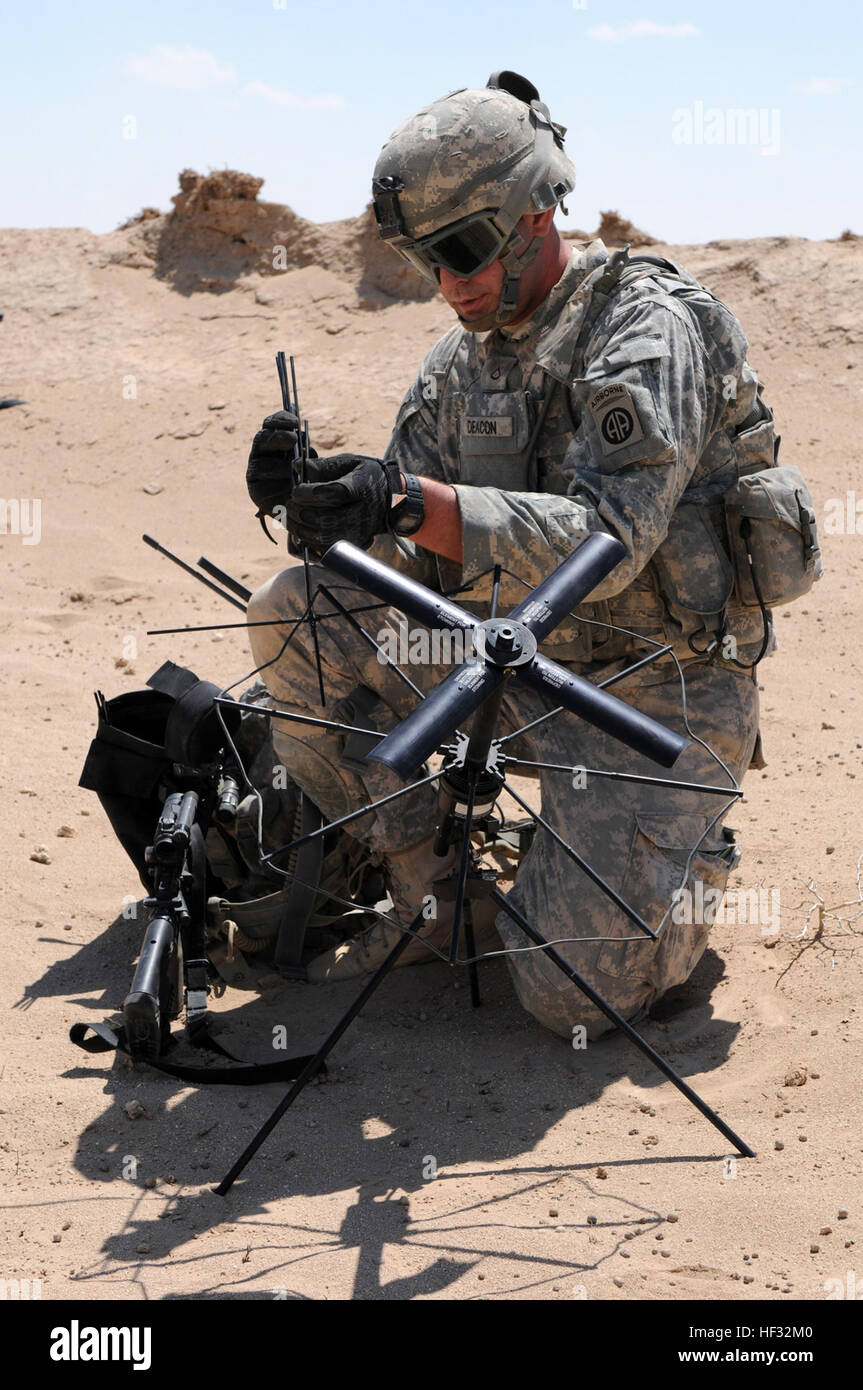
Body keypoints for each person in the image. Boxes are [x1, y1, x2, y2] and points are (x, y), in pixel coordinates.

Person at [242, 71, 784, 1041]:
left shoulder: (643, 328)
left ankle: (686, 870)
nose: (449, 283)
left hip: (655, 695)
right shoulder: (459, 363)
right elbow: (400, 546)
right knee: (299, 618)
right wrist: (318, 498)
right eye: (425, 259)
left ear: (536, 210)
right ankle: (433, 890)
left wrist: (411, 501)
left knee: (563, 994)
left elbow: (605, 540)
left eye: (463, 249)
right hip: (513, 667)